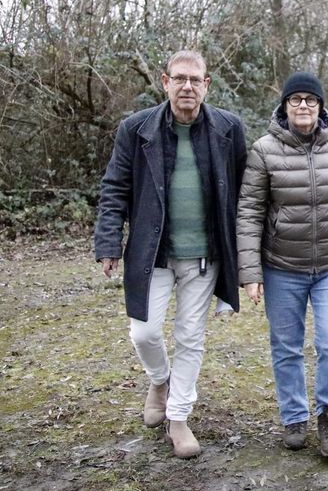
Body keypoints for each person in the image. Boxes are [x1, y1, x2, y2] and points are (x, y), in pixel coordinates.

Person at [94, 50, 248, 458]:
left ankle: (178, 418)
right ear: (164, 82)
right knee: (143, 332)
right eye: (179, 79)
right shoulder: (136, 129)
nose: (187, 87)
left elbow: (246, 194)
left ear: (206, 85)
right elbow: (114, 190)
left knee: (190, 337)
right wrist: (109, 243)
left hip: (205, 256)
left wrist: (249, 258)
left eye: (195, 80)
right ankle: (159, 380)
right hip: (153, 253)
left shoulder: (228, 129)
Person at [236, 71, 328, 458]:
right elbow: (249, 212)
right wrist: (249, 272)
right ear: (285, 106)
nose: (304, 106)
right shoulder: (264, 150)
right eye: (296, 100)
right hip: (281, 265)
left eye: (311, 100)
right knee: (286, 346)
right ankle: (294, 417)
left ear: (321, 106)